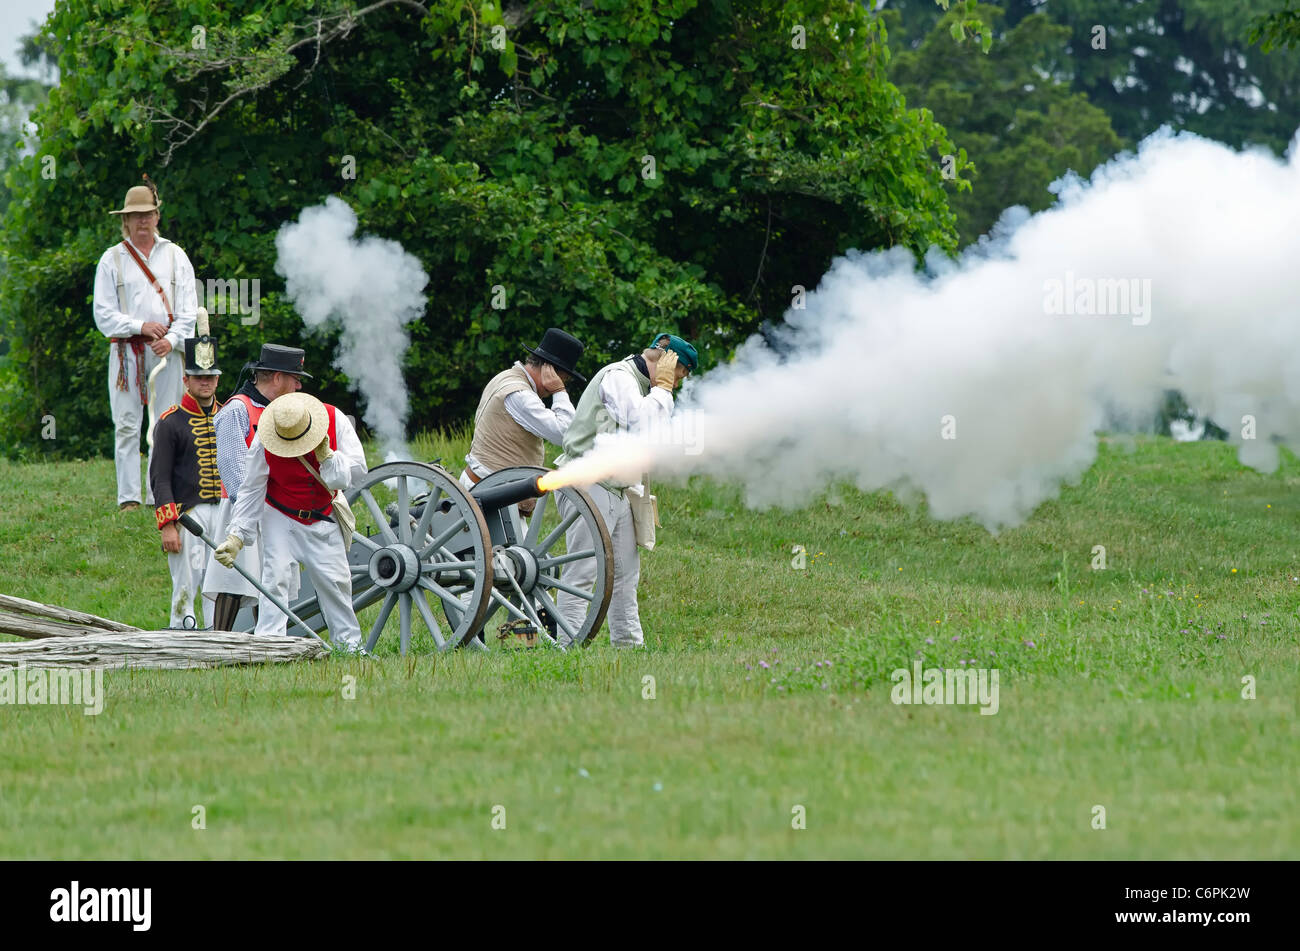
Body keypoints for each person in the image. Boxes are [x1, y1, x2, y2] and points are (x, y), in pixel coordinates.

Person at [555, 333, 696, 647]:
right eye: (680, 374)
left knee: (625, 577)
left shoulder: (646, 388)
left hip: (618, 487)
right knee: (583, 573)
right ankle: (566, 647)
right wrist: (662, 388)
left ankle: (629, 646)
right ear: (668, 363)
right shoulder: (619, 377)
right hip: (588, 481)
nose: (679, 382)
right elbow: (638, 423)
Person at [215, 392, 368, 651]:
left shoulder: (335, 418)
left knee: (336, 582)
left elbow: (355, 472)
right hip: (280, 515)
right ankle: (270, 647)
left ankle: (350, 647)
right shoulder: (267, 434)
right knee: (275, 580)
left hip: (323, 513)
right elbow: (253, 487)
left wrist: (328, 457)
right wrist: (236, 536)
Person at [92, 178, 198, 511]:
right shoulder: (112, 259)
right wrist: (139, 326)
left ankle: (159, 495)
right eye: (135, 216)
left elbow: (188, 309)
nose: (142, 221)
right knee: (126, 423)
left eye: (147, 214)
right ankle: (129, 498)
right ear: (125, 220)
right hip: (127, 353)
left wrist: (171, 339)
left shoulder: (175, 255)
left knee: (166, 422)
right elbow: (103, 315)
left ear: (156, 217)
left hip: (167, 352)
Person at [205, 344, 309, 630]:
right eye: (295, 378)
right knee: (235, 581)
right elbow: (231, 465)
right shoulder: (237, 409)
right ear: (277, 378)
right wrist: (250, 515)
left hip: (276, 507)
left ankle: (269, 645)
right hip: (245, 507)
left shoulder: (280, 412)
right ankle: (219, 646)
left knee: (275, 582)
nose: (298, 385)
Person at [148, 310, 224, 629]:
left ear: (217, 379)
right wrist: (167, 525)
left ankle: (218, 636)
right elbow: (159, 478)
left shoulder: (228, 416)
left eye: (210, 377)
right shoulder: (170, 422)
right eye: (198, 377)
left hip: (223, 513)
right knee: (186, 583)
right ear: (186, 380)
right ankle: (182, 636)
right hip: (187, 517)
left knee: (219, 584)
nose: (205, 383)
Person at [460, 328, 585, 512]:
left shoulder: (506, 377)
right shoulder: (521, 395)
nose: (562, 384)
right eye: (563, 378)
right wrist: (559, 392)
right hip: (490, 495)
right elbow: (567, 435)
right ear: (549, 370)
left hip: (490, 489)